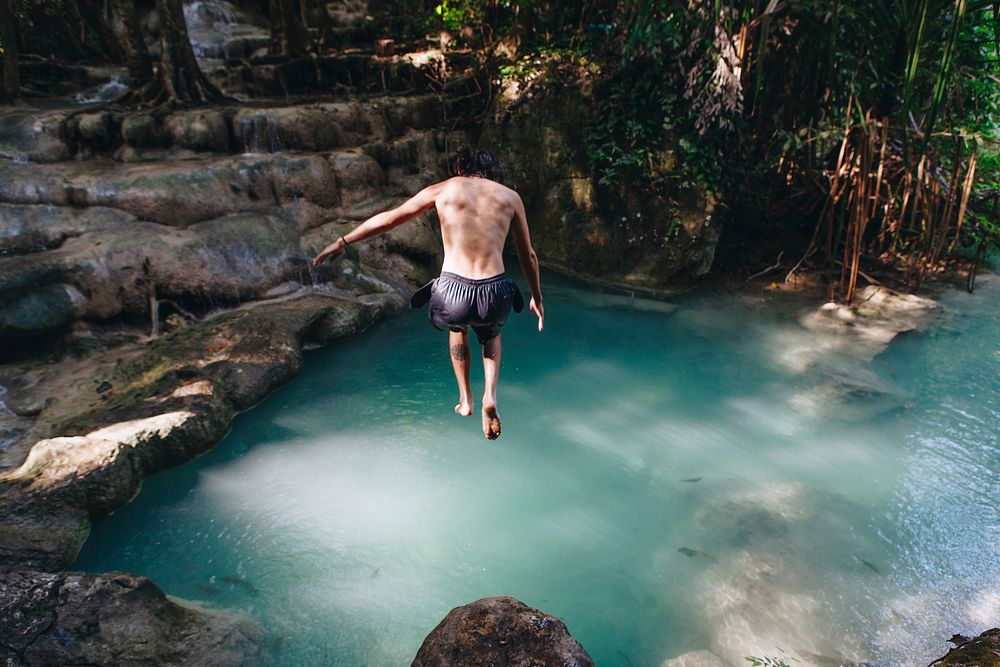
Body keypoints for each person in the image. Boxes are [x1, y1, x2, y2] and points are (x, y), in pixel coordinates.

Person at [313, 148, 544, 440]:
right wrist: (537, 296)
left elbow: (390, 219)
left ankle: (466, 399)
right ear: (493, 172)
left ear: (462, 168)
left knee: (457, 326)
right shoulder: (510, 197)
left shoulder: (444, 189)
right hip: (493, 289)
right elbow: (529, 256)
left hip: (452, 291)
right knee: (490, 332)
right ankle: (490, 396)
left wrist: (342, 241)